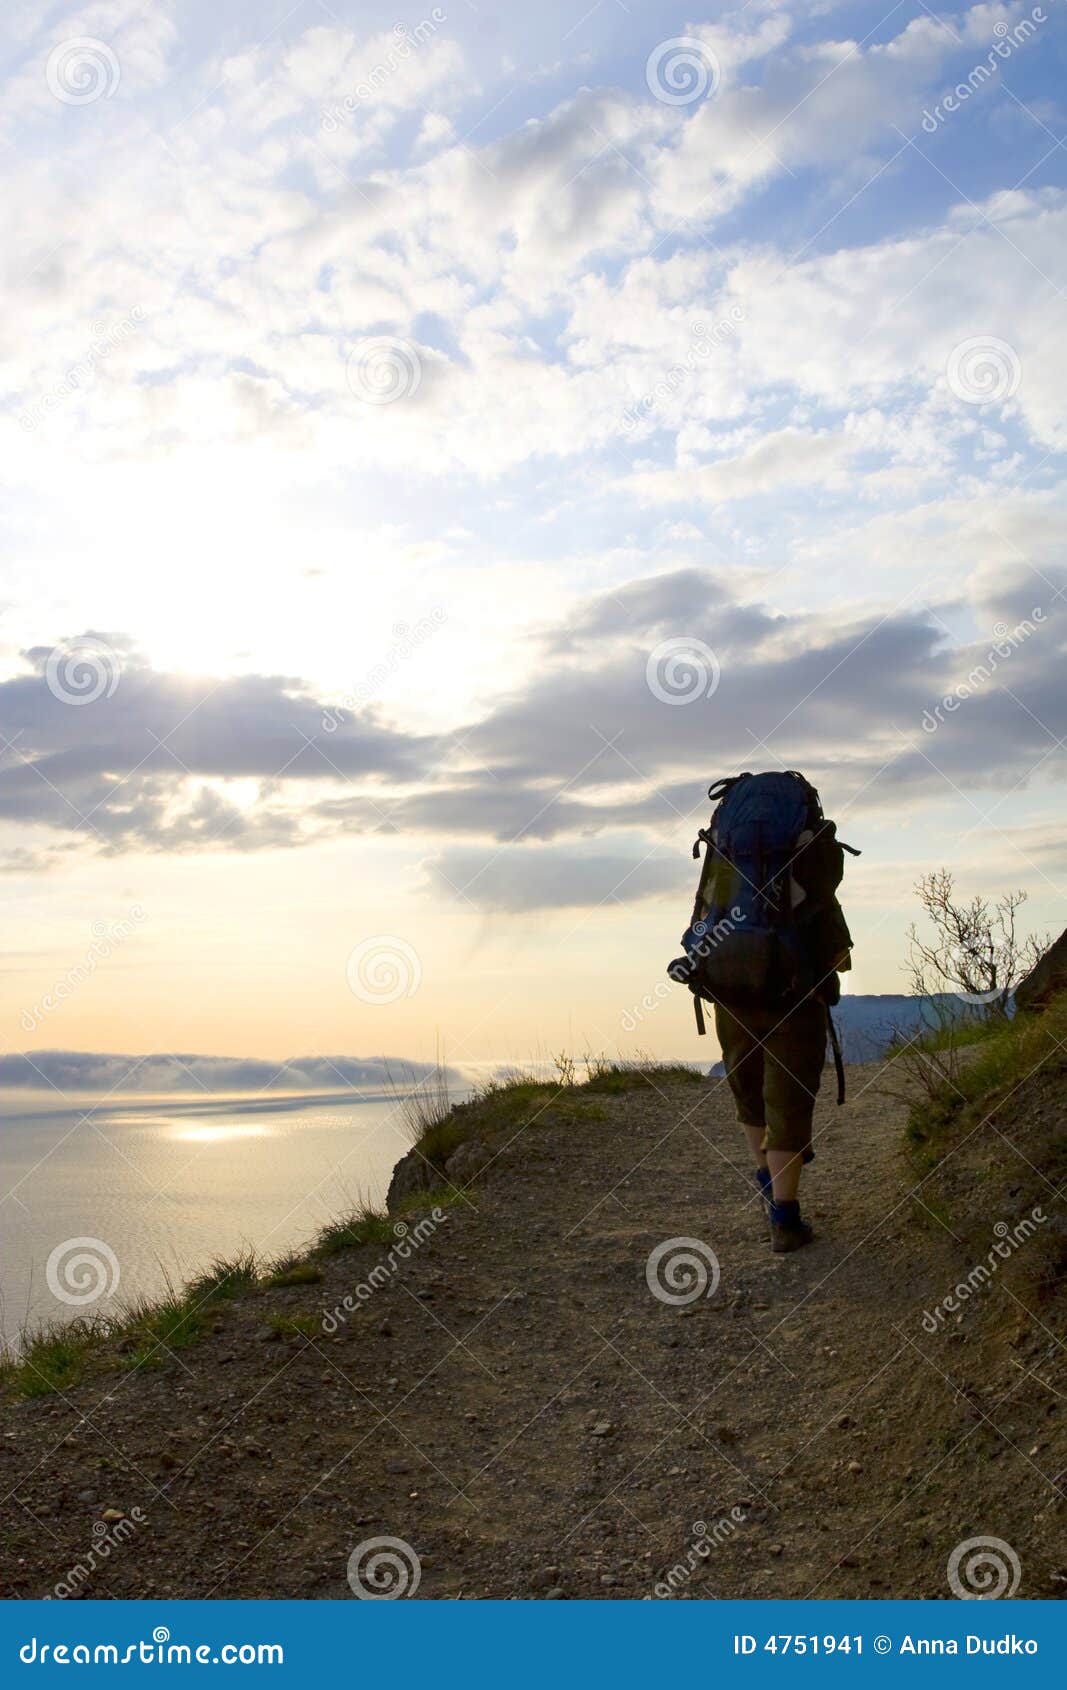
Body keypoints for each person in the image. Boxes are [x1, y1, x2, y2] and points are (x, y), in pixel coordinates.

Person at [672, 771, 854, 1254]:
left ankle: (769, 1190)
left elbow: (705, 907)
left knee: (750, 1093)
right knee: (788, 1102)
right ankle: (786, 1220)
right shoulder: (810, 847)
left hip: (730, 985)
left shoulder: (726, 848)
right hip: (794, 993)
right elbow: (827, 910)